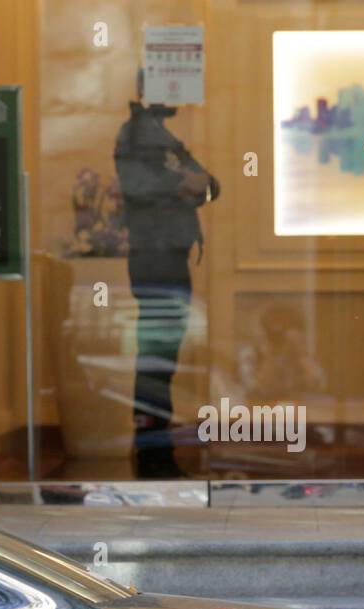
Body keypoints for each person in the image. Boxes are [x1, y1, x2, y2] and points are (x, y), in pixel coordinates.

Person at [114, 69, 219, 478]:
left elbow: (211, 185)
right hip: (154, 258)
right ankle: (152, 452)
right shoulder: (136, 133)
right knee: (157, 354)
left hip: (171, 257)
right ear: (145, 89)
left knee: (165, 355)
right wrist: (183, 183)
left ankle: (158, 449)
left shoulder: (163, 136)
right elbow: (140, 186)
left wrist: (190, 183)